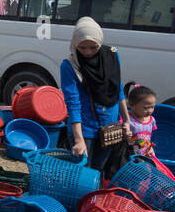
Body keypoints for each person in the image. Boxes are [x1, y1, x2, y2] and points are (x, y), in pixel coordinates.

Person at [60, 16, 128, 172]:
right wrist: (79, 139)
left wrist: (126, 120)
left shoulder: (112, 55)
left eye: (93, 47)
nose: (88, 52)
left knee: (99, 171)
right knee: (82, 173)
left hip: (110, 127)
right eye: (82, 47)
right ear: (75, 43)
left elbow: (117, 87)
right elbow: (73, 102)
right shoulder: (70, 65)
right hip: (84, 128)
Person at [125, 84, 158, 158]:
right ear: (131, 104)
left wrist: (151, 148)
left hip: (146, 154)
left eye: (152, 107)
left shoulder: (152, 120)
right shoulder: (127, 119)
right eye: (145, 108)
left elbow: (148, 138)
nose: (150, 111)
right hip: (130, 156)